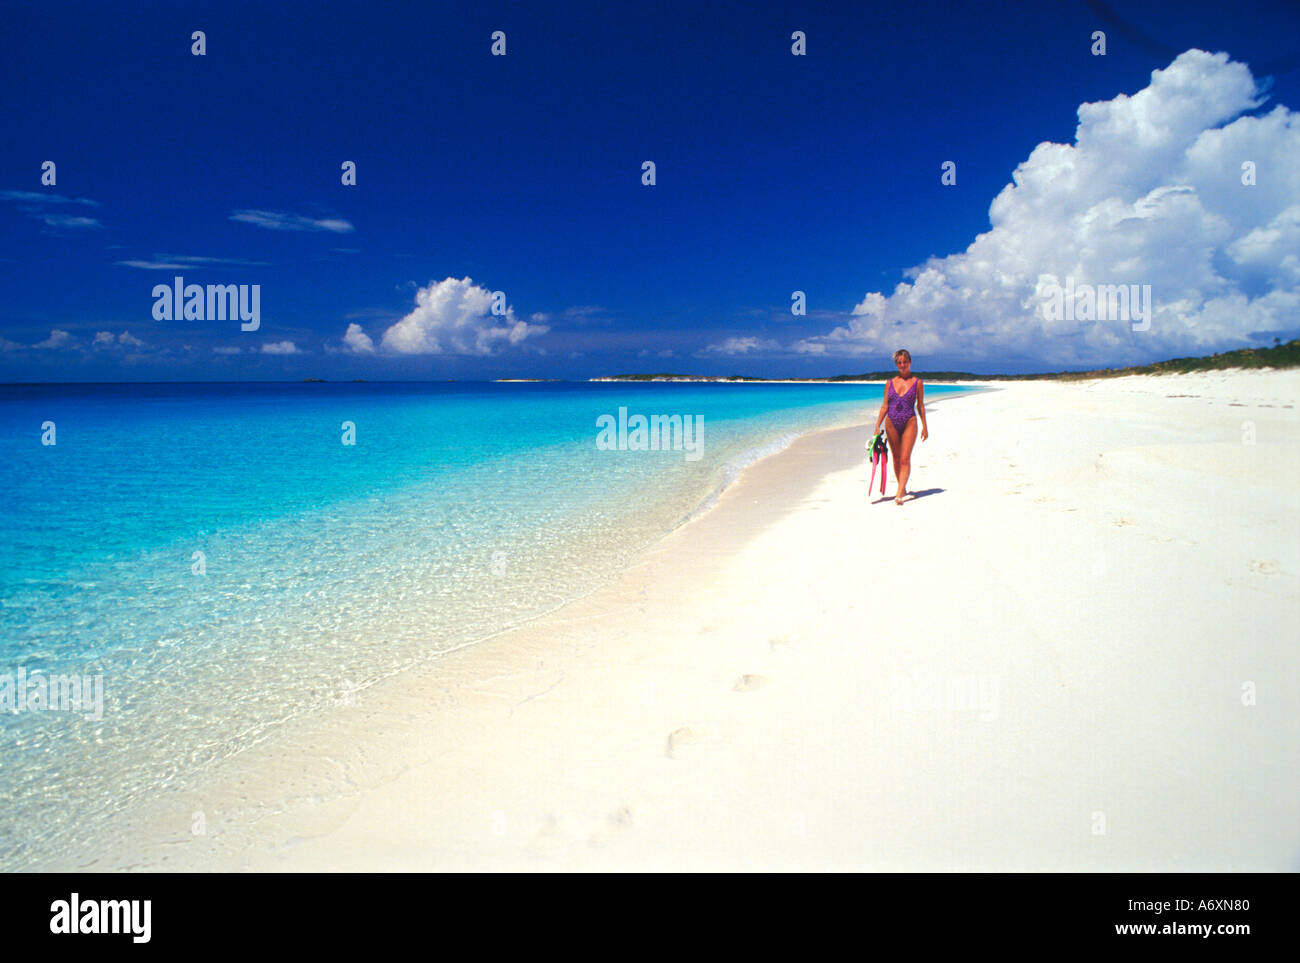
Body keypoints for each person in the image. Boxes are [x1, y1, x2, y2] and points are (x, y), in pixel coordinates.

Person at [872, 348, 928, 504]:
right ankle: (902, 487)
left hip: (910, 421)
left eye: (905, 362)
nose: (902, 365)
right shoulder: (889, 383)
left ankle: (898, 494)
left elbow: (921, 406)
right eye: (899, 362)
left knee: (905, 459)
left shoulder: (917, 382)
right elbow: (884, 406)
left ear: (910, 362)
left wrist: (925, 426)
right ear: (897, 364)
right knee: (896, 460)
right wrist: (877, 425)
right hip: (891, 423)